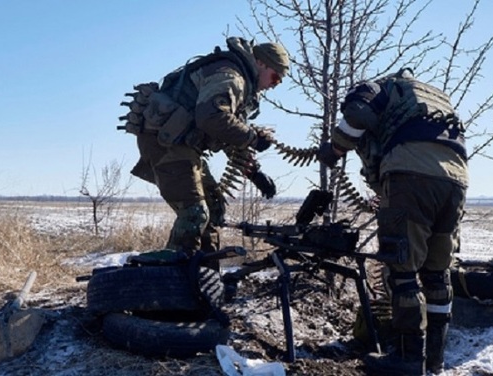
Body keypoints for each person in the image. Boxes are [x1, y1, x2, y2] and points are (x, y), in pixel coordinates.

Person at [317, 67, 468, 375]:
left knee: (402, 270)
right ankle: (434, 359)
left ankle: (407, 357)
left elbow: (357, 114)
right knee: (438, 273)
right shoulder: (436, 97)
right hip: (456, 180)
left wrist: (335, 147)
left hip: (411, 175)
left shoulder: (384, 87)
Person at [124, 37, 289, 257]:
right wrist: (252, 138)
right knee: (194, 214)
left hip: (182, 144)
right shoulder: (231, 77)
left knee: (213, 210)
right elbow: (211, 117)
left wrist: (254, 173)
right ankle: (170, 281)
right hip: (165, 142)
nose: (274, 84)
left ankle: (204, 281)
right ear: (261, 63)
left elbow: (227, 131)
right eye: (275, 77)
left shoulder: (242, 84)